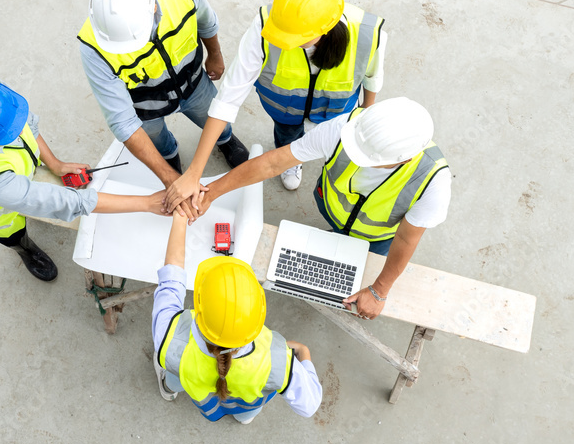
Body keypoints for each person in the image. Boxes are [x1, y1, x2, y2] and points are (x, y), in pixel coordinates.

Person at [187, 98, 450, 321]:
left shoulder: (432, 182)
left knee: (357, 274)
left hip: (377, 236)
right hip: (332, 209)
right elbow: (272, 164)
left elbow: (406, 237)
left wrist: (379, 290)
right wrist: (213, 192)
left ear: (403, 159)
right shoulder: (345, 128)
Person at [165, 0, 387, 214]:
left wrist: (365, 112)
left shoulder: (368, 34)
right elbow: (227, 100)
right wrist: (194, 172)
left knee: (335, 149)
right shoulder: (266, 26)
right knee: (288, 138)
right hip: (285, 111)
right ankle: (293, 162)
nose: (286, 42)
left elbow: (372, 76)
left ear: (325, 28)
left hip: (336, 112)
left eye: (297, 38)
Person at [0, 73, 166, 282]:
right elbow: (66, 202)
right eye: (9, 132)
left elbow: (28, 124)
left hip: (16, 174)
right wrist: (148, 202)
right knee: (12, 234)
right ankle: (25, 248)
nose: (18, 128)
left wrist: (54, 164)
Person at [77, 0, 250, 201]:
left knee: (212, 115)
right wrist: (170, 178)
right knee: (156, 140)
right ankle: (170, 155)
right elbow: (124, 122)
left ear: (154, 8)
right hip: (144, 105)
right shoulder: (93, 46)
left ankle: (225, 139)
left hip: (194, 83)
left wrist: (215, 55)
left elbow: (206, 22)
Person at [151, 213, 322, 423]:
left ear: (199, 304)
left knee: (174, 372)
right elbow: (310, 404)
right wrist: (303, 352)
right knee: (247, 414)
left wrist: (179, 217)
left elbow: (170, 282)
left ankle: (168, 389)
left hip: (193, 384)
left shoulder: (170, 338)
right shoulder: (277, 360)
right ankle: (244, 419)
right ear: (258, 314)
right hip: (247, 407)